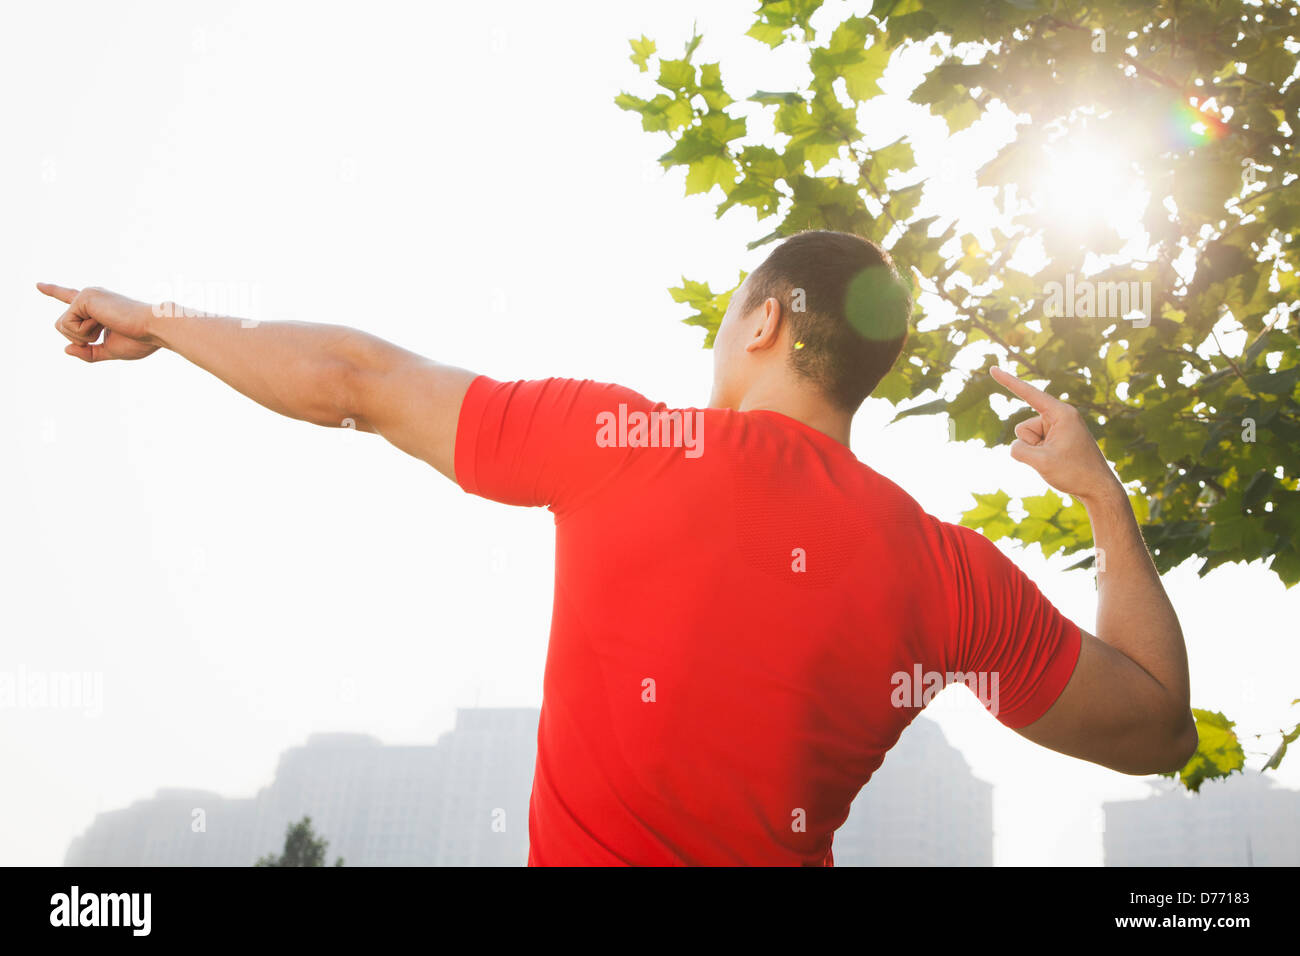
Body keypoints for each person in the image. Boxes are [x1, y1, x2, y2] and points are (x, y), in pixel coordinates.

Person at [40, 229, 1196, 866]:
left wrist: (164, 321)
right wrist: (1098, 493)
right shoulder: (946, 572)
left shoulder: (628, 444)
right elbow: (1153, 729)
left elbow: (355, 382)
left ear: (767, 320)